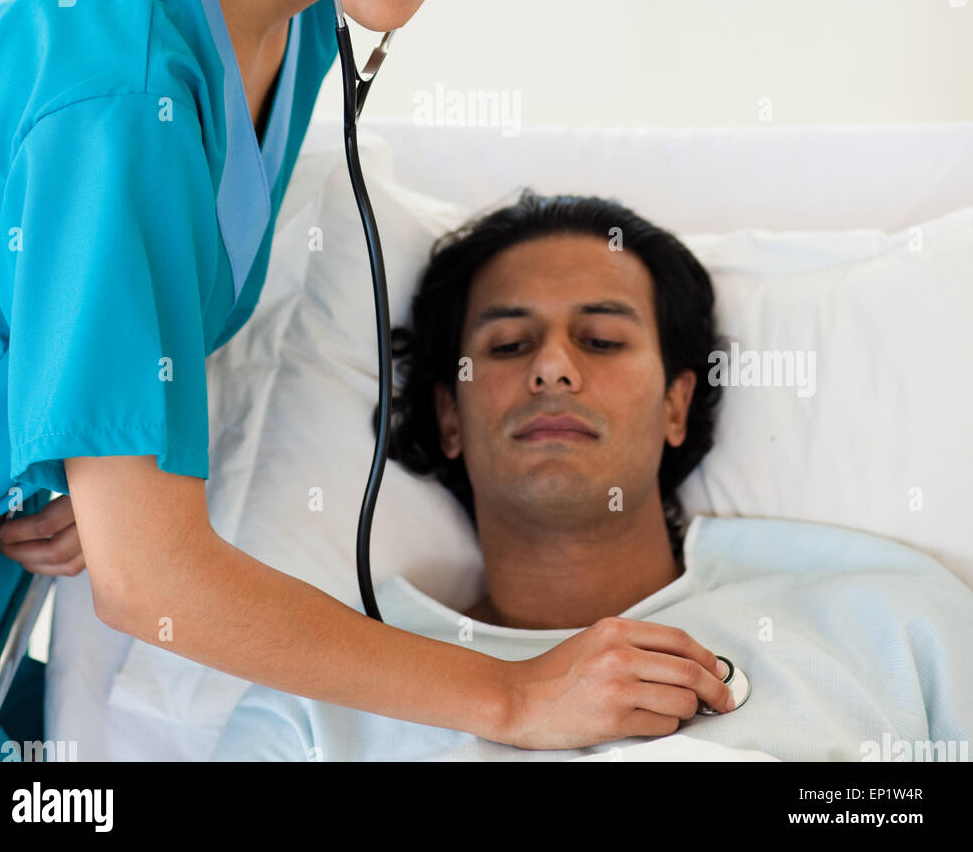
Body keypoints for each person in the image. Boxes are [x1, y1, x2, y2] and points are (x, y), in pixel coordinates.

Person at [0, 0, 734, 760]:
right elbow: (151, 582)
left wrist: (63, 455)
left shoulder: (297, 26)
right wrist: (515, 697)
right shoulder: (119, 85)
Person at [213, 193, 973, 762]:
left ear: (677, 404)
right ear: (447, 414)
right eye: (508, 345)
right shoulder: (317, 700)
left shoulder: (889, 625)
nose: (552, 367)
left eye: (601, 339)